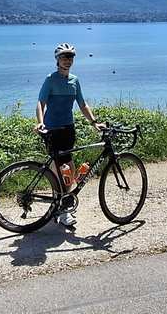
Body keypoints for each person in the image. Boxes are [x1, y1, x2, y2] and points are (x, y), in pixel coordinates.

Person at [36, 43, 103, 228]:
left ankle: (61, 205)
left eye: (70, 57)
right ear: (57, 60)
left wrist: (94, 122)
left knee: (70, 171)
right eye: (64, 57)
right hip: (52, 130)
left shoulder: (75, 80)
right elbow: (41, 103)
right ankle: (63, 211)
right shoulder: (50, 79)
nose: (68, 60)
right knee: (61, 172)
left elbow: (82, 104)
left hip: (68, 129)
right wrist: (40, 122)